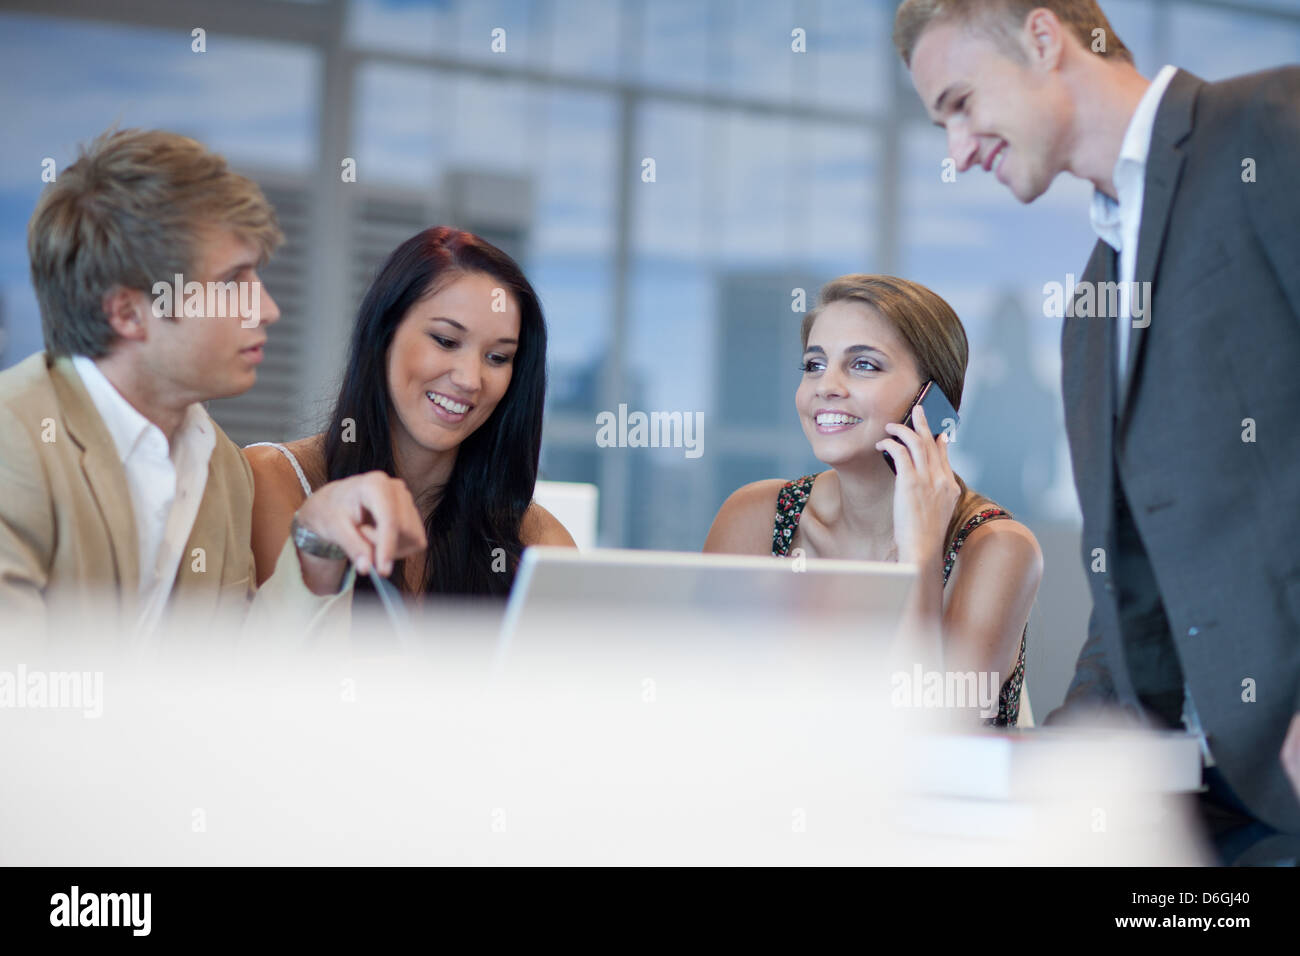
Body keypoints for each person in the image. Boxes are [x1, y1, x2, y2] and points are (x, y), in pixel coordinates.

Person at [895, 0, 1300, 856]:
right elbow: (1134, 582)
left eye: (961, 104)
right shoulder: (1091, 304)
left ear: (1044, 41)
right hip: (1189, 802)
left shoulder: (1268, 129)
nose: (957, 152)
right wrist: (1061, 765)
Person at [0, 127, 425, 640]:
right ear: (130, 312)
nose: (268, 309)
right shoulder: (14, 441)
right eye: (232, 284)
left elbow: (234, 679)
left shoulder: (222, 464)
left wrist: (318, 543)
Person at [704, 275, 1042, 726]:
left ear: (931, 400)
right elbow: (702, 710)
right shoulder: (756, 517)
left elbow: (926, 739)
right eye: (814, 365)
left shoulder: (998, 548)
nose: (826, 385)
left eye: (863, 365)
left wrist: (919, 554)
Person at [245, 226, 574, 604]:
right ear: (384, 333)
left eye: (497, 358)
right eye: (446, 341)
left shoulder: (538, 541)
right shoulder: (271, 481)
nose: (470, 380)